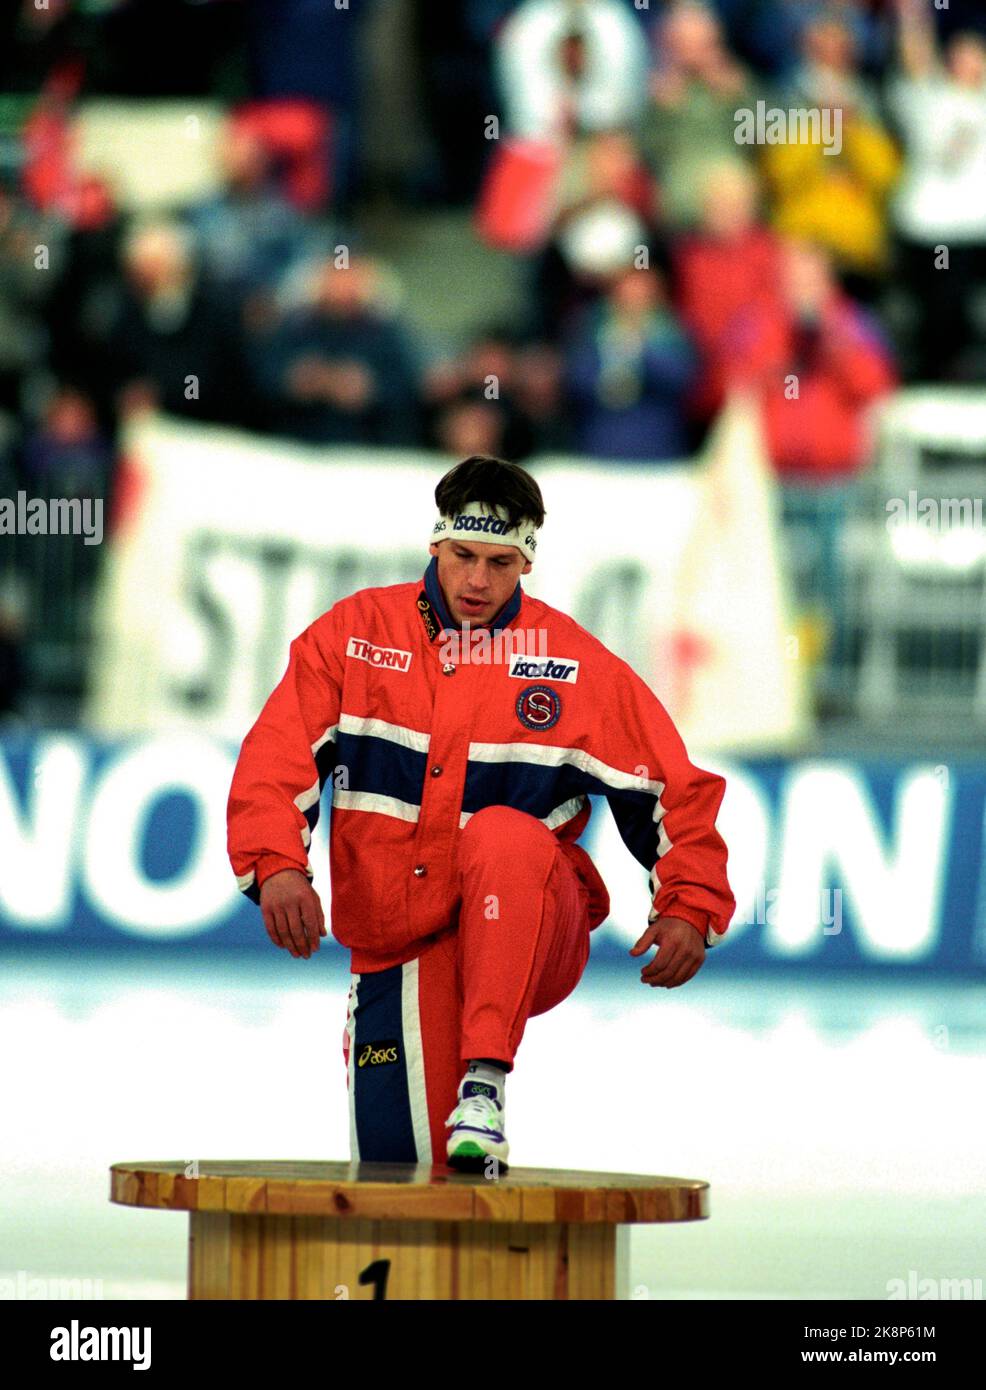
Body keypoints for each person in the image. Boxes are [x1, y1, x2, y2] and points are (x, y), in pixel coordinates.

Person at [226, 455, 735, 1170]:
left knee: (503, 833)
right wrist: (277, 865)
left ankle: (485, 1083)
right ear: (434, 544)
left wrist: (690, 903)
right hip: (396, 940)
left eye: (500, 563)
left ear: (527, 564)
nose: (476, 581)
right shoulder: (351, 636)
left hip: (530, 927)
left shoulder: (572, 663)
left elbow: (674, 790)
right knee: (403, 1170)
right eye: (463, 556)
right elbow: (273, 761)